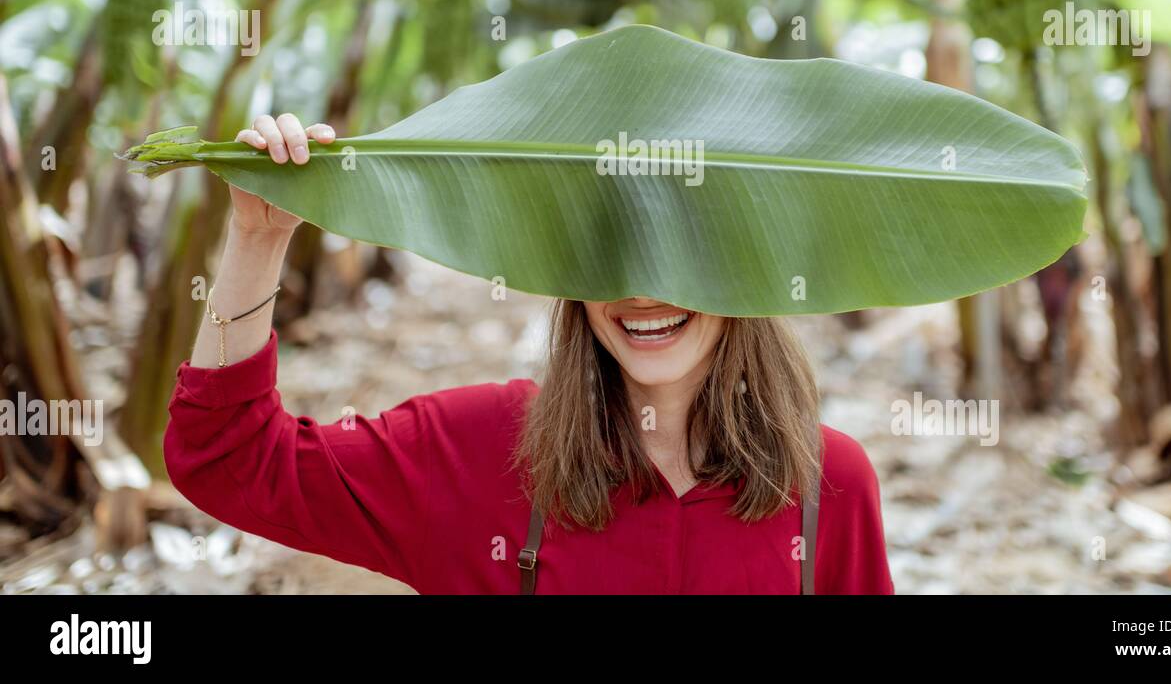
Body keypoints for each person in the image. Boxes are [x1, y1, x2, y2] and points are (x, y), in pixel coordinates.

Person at [163, 113, 894, 594]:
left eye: (682, 254)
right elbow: (227, 457)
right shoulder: (483, 450)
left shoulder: (829, 489)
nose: (642, 291)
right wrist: (259, 239)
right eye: (612, 255)